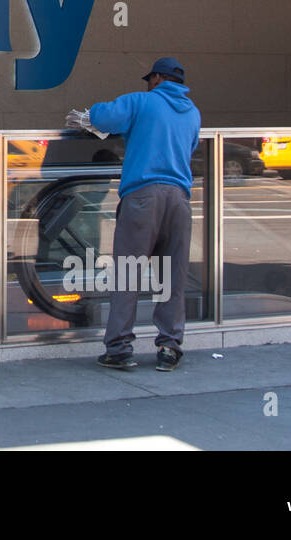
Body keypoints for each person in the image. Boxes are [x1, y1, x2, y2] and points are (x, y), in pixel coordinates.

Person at [68, 57, 201, 371]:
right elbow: (191, 146)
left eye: (148, 79)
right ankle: (169, 347)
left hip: (143, 197)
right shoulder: (193, 113)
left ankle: (119, 348)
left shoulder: (143, 102)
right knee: (172, 277)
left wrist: (90, 117)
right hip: (179, 200)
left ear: (156, 78)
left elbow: (103, 116)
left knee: (128, 274)